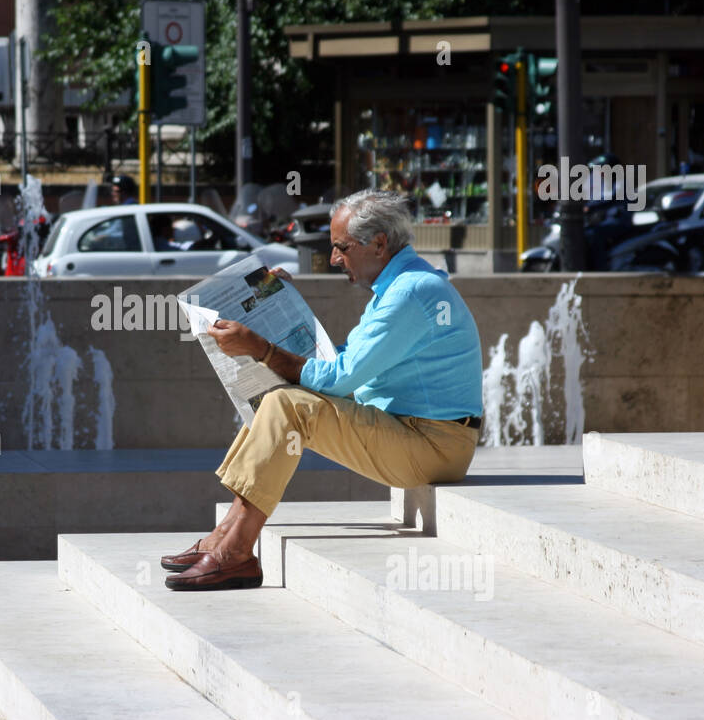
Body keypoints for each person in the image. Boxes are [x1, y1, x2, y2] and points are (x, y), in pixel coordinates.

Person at [161, 190, 484, 591]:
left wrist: (261, 348)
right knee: (277, 400)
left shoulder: (410, 292)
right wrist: (278, 304)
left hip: (435, 445)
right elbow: (345, 362)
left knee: (288, 406)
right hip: (418, 433)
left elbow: (339, 379)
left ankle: (235, 553)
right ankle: (223, 537)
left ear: (379, 243)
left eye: (340, 247)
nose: (333, 259)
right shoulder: (403, 285)